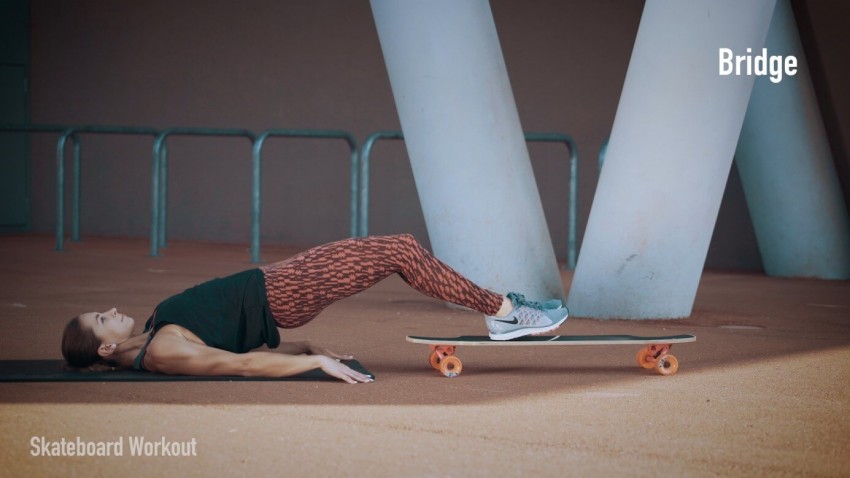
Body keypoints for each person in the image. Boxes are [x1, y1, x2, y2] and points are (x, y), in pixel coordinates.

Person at [61, 234, 568, 383]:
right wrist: (313, 363)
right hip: (283, 291)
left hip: (279, 281)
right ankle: (503, 312)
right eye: (101, 318)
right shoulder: (161, 351)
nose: (109, 310)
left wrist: (305, 344)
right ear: (105, 345)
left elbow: (229, 335)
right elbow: (238, 364)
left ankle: (502, 309)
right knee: (403, 250)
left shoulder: (153, 332)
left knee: (401, 248)